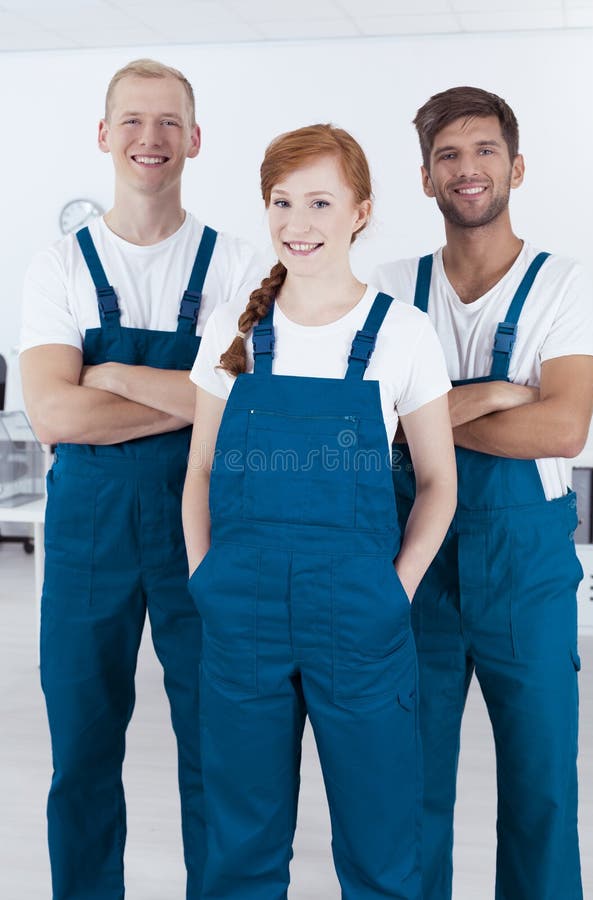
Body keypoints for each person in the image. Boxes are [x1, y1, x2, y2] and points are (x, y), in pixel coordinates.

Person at [182, 123, 457, 898]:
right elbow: (199, 469)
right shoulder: (235, 328)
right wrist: (205, 576)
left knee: (381, 846)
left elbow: (439, 481)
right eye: (281, 201)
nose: (296, 222)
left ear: (360, 212)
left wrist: (396, 590)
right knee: (239, 846)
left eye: (320, 202)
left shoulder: (402, 333)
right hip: (242, 614)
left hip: (360, 618)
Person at [20, 58, 262, 899]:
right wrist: (199, 396)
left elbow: (252, 408)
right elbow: (55, 415)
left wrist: (114, 375)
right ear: (103, 134)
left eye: (167, 122)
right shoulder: (58, 267)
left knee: (218, 744)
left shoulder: (239, 265)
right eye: (131, 119)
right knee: (82, 748)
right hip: (88, 535)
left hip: (206, 523)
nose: (149, 138)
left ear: (195, 139)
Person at [372, 86, 593, 900]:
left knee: (542, 793)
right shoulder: (390, 288)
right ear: (426, 177)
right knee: (407, 791)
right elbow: (367, 428)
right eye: (448, 156)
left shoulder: (566, 285)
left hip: (525, 571)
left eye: (484, 151)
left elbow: (562, 429)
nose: (467, 169)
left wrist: (422, 419)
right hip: (413, 564)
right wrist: (502, 394)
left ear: (517, 166)